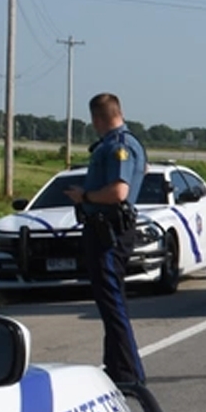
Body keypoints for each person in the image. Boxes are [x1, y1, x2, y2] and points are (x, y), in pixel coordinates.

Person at [63, 92, 148, 387]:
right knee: (110, 303)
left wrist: (84, 196)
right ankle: (116, 368)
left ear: (98, 118)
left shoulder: (119, 147)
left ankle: (130, 374)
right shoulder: (123, 144)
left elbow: (119, 192)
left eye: (94, 120)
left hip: (108, 232)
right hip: (104, 230)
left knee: (113, 306)